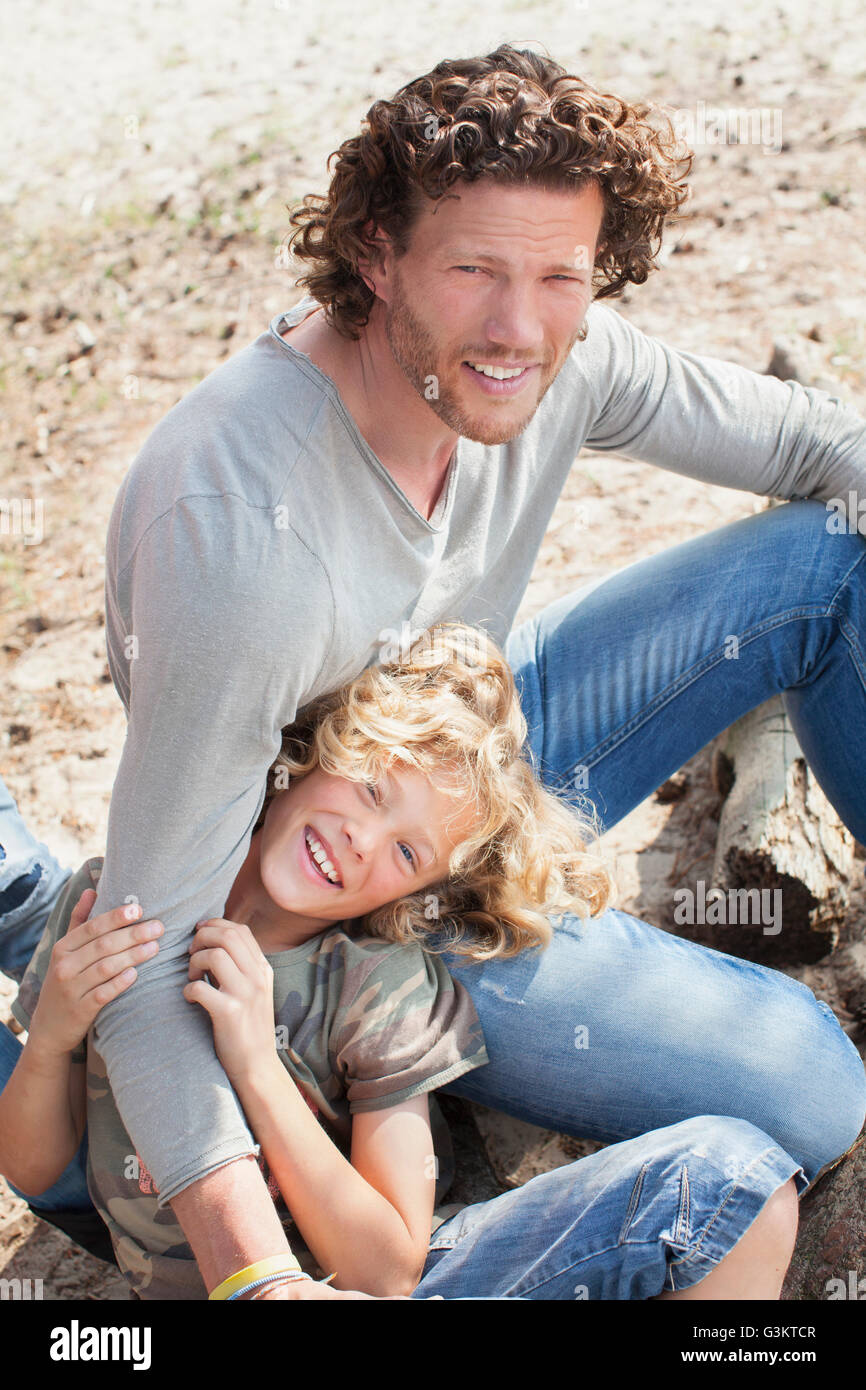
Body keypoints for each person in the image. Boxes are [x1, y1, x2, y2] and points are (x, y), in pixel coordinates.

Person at [1, 42, 864, 1297]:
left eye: (559, 275)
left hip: (459, 743)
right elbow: (161, 945)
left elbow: (811, 441)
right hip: (339, 875)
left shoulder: (548, 354)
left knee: (826, 563)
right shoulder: (238, 537)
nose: (519, 327)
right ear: (374, 255)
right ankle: (36, 906)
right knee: (808, 1089)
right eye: (472, 271)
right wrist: (255, 1280)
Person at [0, 622, 803, 1300]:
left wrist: (255, 1062)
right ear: (314, 748)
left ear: (421, 891)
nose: (361, 840)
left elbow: (387, 1268)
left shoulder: (375, 986)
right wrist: (54, 1037)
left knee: (735, 1184)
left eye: (407, 850)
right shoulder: (117, 899)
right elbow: (34, 1169)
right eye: (371, 788)